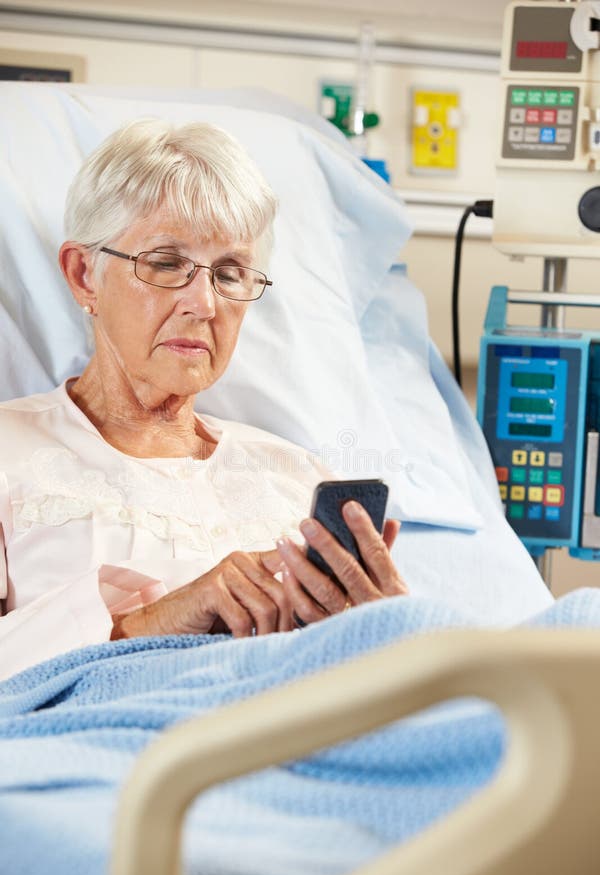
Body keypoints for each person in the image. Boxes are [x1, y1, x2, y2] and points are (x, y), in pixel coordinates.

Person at [0, 119, 407, 680]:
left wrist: (385, 633)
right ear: (84, 276)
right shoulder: (9, 451)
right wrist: (146, 625)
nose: (205, 303)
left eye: (229, 273)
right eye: (166, 262)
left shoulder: (297, 480)